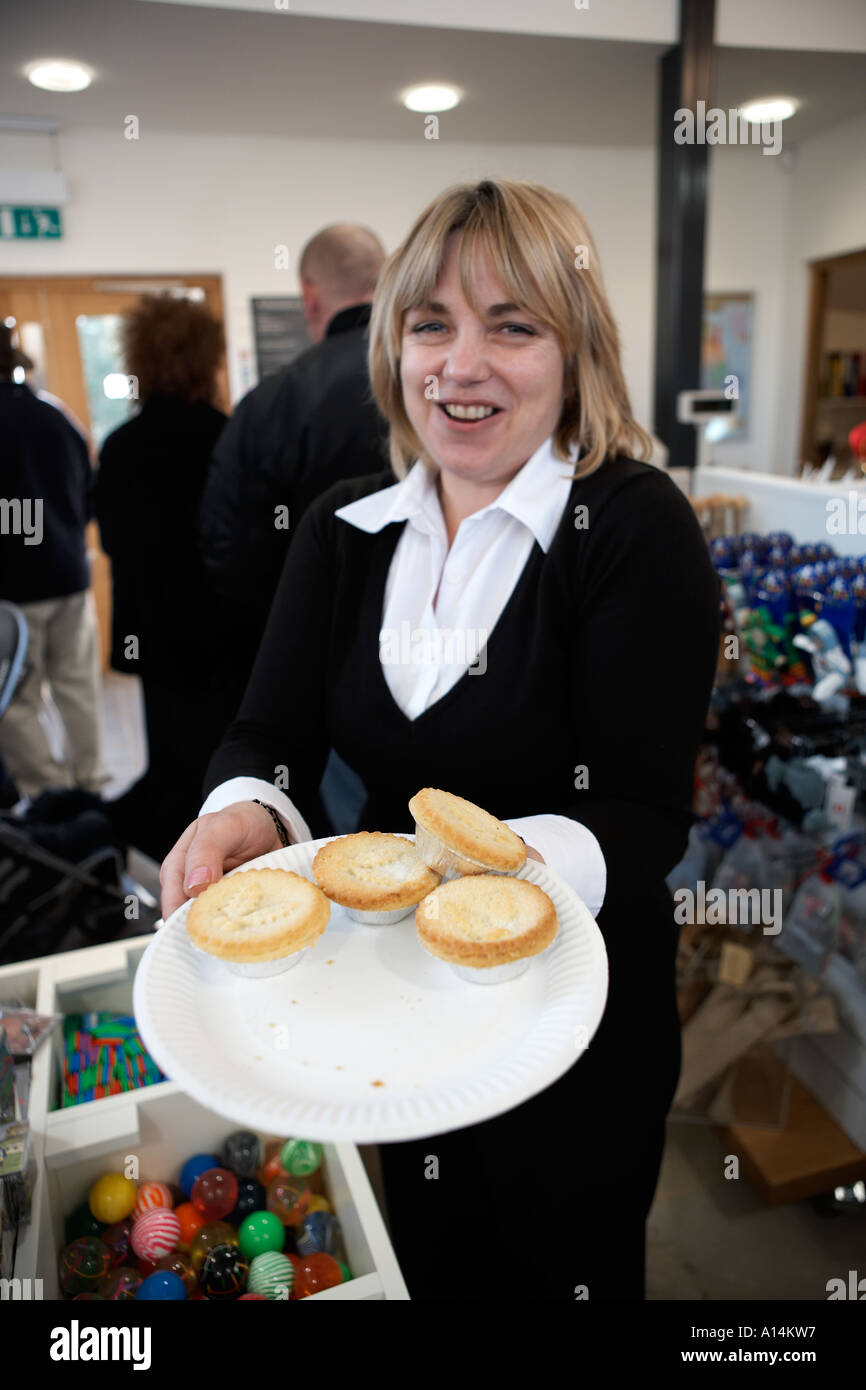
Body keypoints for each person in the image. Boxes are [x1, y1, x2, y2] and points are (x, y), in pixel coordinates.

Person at [161, 179, 720, 1301]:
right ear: (393, 344)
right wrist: (244, 806)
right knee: (429, 1253)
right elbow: (270, 732)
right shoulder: (342, 527)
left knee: (566, 1265)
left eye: (511, 327)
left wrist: (478, 893)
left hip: (574, 1009)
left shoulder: (629, 525)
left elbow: (642, 812)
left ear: (576, 350)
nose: (461, 366)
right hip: (389, 1000)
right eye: (431, 324)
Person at [198, 222, 389, 661]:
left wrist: (286, 625)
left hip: (315, 644)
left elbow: (226, 541)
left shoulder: (274, 400)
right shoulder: (442, 381)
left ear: (309, 295)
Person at [94, 294, 229, 862]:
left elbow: (112, 541)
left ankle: (173, 854)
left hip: (153, 631)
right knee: (223, 755)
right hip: (223, 630)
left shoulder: (121, 446)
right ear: (207, 358)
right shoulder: (227, 437)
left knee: (172, 751)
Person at [0, 324, 106, 799]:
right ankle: (91, 786)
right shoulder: (57, 416)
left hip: (11, 592)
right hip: (68, 574)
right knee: (77, 687)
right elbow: (89, 495)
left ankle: (48, 794)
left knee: (17, 698)